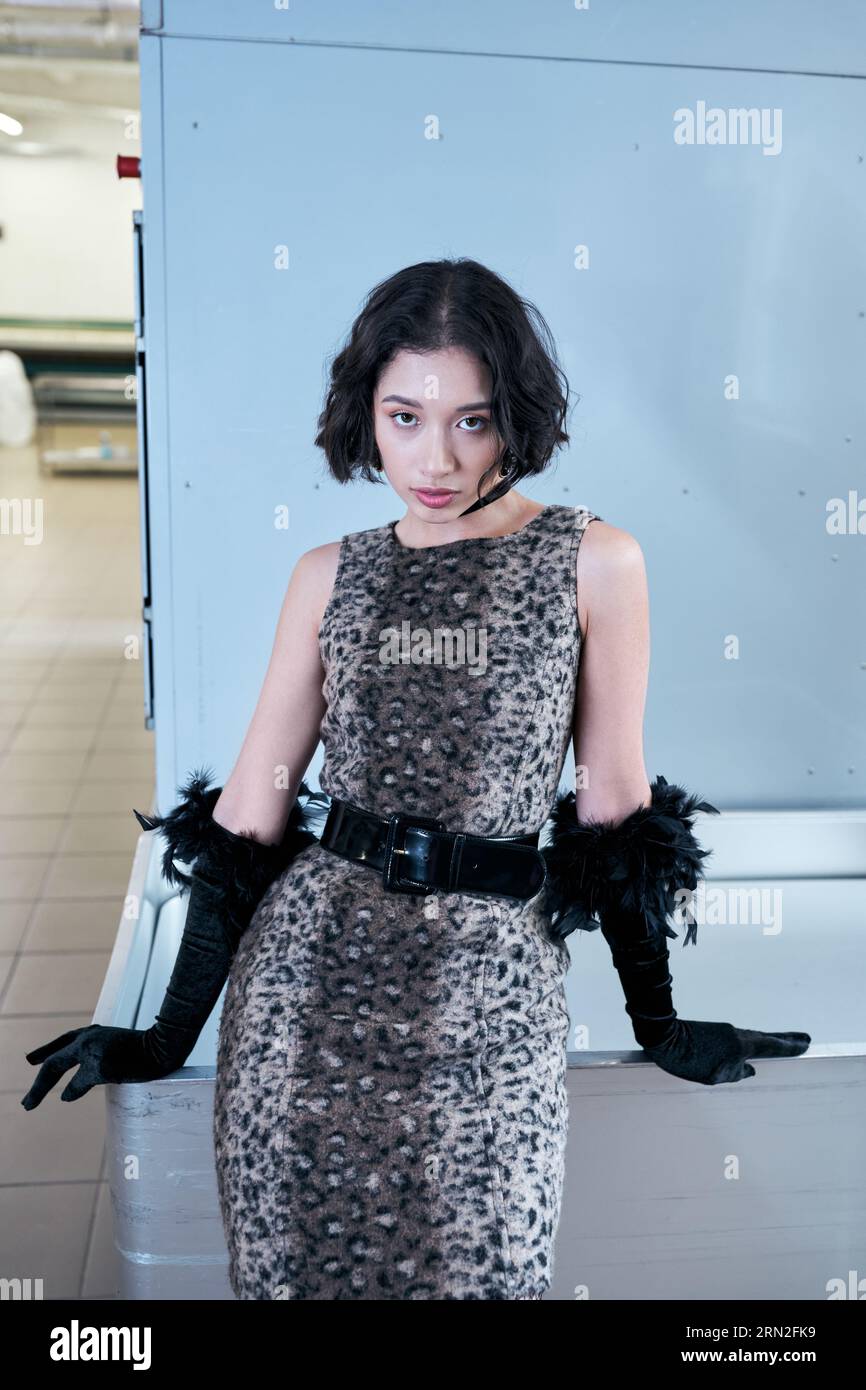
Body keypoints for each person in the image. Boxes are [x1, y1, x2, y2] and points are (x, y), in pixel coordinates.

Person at [21, 257, 810, 1301]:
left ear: (515, 417)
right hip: (307, 996)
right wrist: (168, 1034)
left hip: (488, 994)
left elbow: (611, 804)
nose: (434, 457)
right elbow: (251, 810)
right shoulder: (328, 573)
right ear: (365, 414)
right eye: (403, 417)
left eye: (471, 422)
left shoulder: (594, 560)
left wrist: (655, 1020)